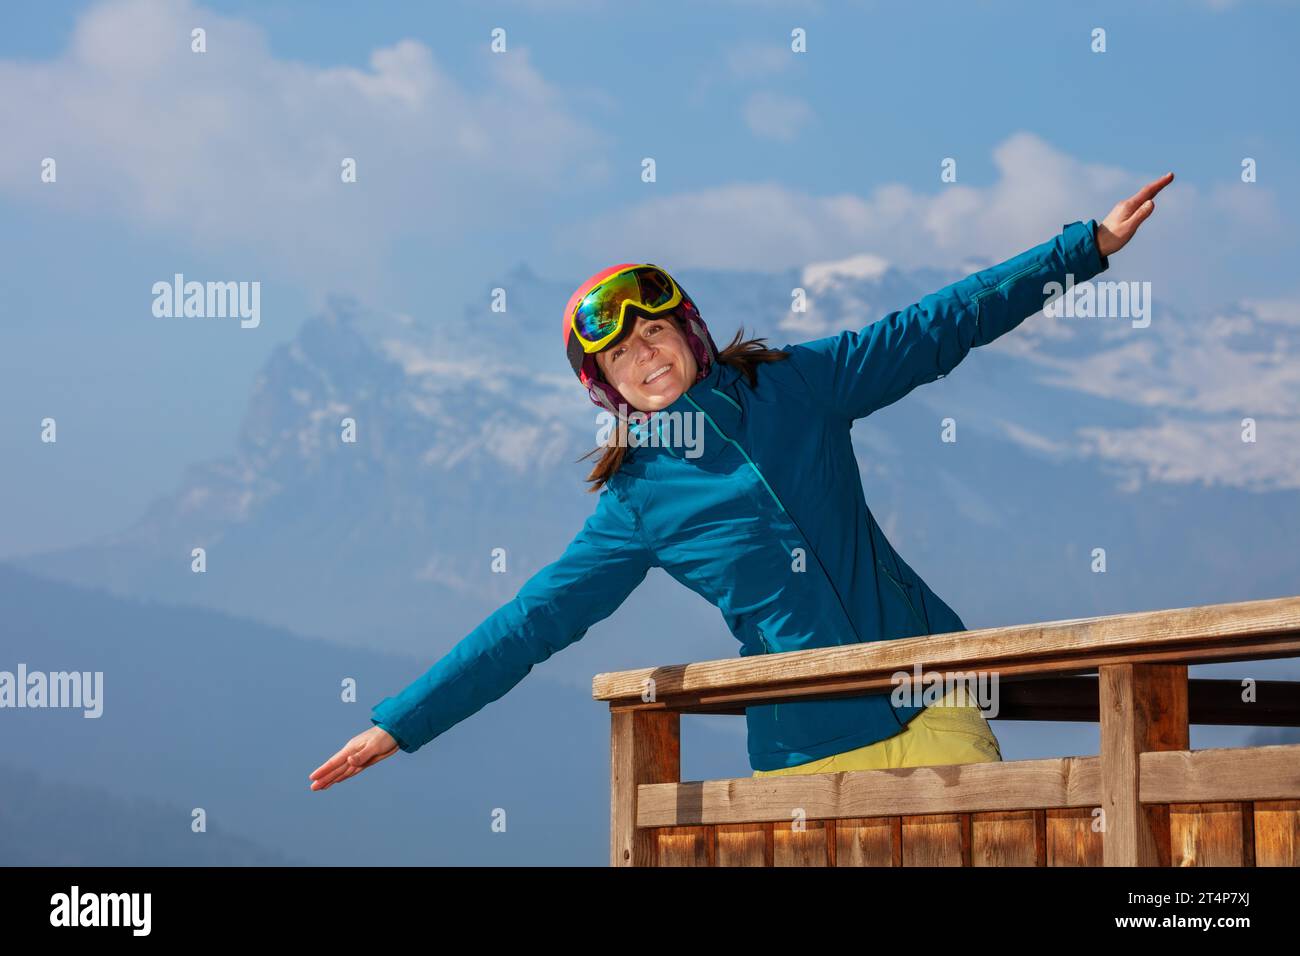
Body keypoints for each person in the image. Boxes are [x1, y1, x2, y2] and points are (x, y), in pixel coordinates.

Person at [309, 173, 1174, 792]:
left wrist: (1083, 248)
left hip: (932, 704)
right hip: (806, 761)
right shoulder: (638, 503)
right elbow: (531, 623)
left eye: (654, 333)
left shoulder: (797, 388)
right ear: (606, 389)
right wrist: (403, 721)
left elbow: (933, 328)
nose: (643, 355)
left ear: (691, 333)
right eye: (620, 353)